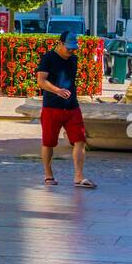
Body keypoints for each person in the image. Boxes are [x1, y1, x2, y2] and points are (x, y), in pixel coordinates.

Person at [38, 30, 95, 188]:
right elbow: (41, 81)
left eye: (74, 48)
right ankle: (48, 175)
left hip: (72, 107)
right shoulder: (48, 58)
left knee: (80, 140)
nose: (71, 51)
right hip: (52, 107)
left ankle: (79, 177)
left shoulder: (73, 59)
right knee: (49, 143)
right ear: (60, 43)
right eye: (69, 48)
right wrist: (57, 90)